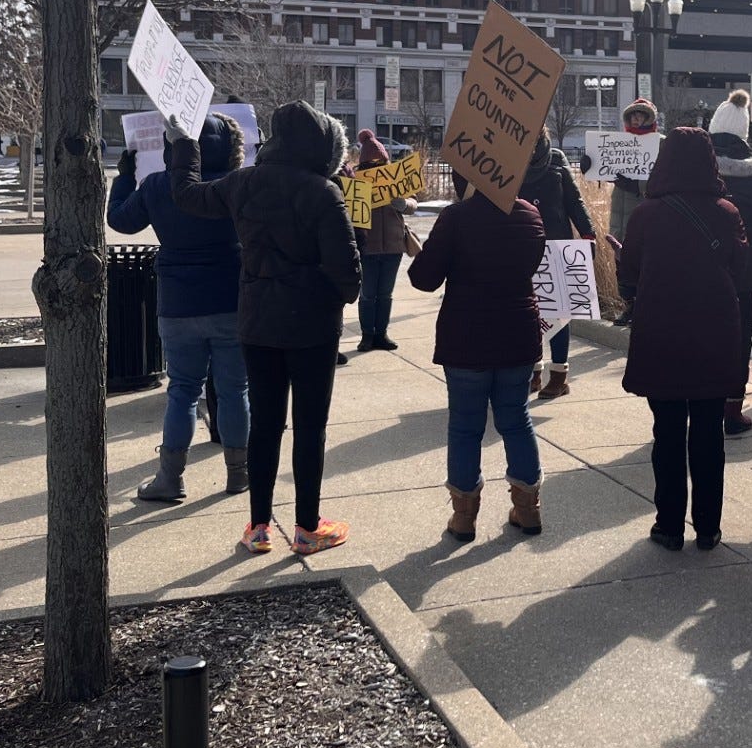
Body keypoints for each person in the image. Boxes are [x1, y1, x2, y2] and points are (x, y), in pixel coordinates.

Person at [169, 100, 361, 556]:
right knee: (309, 427)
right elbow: (349, 280)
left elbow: (187, 196)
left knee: (266, 425)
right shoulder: (324, 193)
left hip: (257, 322)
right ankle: (308, 528)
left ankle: (258, 527)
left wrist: (183, 147)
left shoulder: (242, 183)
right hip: (312, 328)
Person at [618, 128, 752, 551]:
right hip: (714, 333)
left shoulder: (645, 215)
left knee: (668, 433)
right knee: (709, 436)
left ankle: (669, 525)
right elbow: (742, 274)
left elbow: (629, 281)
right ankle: (708, 528)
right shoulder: (727, 212)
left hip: (662, 333)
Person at [108, 113, 250, 503]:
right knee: (235, 389)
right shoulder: (237, 186)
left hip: (178, 304)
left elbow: (119, 221)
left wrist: (123, 177)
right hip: (230, 301)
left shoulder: (156, 187)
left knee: (183, 392)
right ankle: (239, 473)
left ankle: (171, 478)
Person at [408, 179, 548, 539]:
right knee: (517, 420)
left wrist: (415, 250)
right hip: (517, 331)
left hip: (466, 335)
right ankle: (527, 509)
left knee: (465, 426)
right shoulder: (531, 214)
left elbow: (425, 279)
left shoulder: (457, 217)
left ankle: (464, 517)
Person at [520, 132, 596, 399]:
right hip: (522, 245)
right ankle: (533, 371)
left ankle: (559, 376)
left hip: (557, 245)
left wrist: (588, 234)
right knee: (528, 313)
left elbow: (574, 201)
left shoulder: (556, 158)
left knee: (558, 312)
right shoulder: (508, 161)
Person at [707, 89, 752, 436]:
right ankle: (733, 410)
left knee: (702, 336)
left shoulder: (694, 167)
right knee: (739, 338)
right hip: (743, 269)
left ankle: (702, 405)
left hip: (700, 270)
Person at [350, 129, 413, 353]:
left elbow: (412, 203)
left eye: (381, 160)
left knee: (385, 294)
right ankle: (367, 335)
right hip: (368, 246)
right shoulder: (357, 181)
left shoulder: (394, 178)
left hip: (393, 246)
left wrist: (403, 204)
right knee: (368, 294)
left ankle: (381, 333)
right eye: (373, 161)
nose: (377, 165)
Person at [607, 97, 659, 248]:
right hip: (618, 227)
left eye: (640, 115)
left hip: (645, 225)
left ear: (648, 118)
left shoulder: (660, 143)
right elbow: (605, 168)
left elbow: (665, 178)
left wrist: (638, 186)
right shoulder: (619, 142)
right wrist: (591, 165)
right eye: (632, 115)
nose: (635, 119)